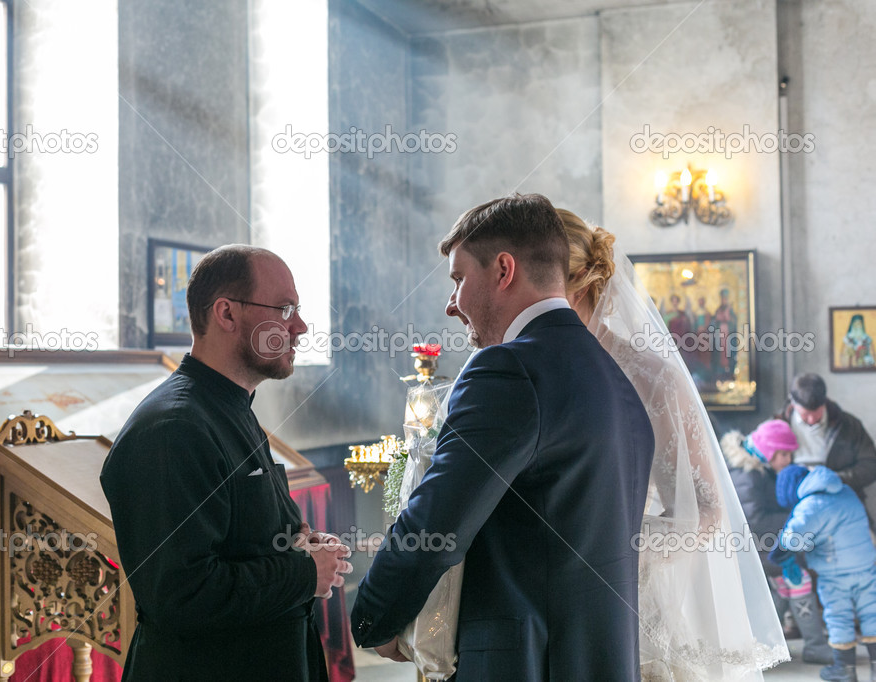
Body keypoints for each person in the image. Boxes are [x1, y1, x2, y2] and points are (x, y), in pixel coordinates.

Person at [351, 193, 656, 679]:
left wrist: (372, 617)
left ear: (503, 270)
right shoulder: (611, 374)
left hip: (527, 661)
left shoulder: (508, 369)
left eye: (458, 279)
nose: (451, 304)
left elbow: (437, 525)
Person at [100, 245, 352, 681]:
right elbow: (181, 594)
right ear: (227, 314)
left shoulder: (231, 407)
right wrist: (303, 571)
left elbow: (242, 538)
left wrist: (298, 544)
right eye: (285, 308)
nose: (300, 326)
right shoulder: (174, 428)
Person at [559, 209, 790, 678]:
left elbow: (706, 510)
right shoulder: (523, 367)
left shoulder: (650, 377)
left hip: (635, 600)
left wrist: (614, 547)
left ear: (580, 281)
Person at [720, 419, 832, 666]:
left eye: (790, 454)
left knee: (782, 593)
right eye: (783, 454)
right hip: (758, 551)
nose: (788, 460)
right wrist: (795, 516)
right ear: (767, 451)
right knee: (797, 583)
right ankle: (811, 645)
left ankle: (765, 643)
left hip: (768, 548)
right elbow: (756, 522)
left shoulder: (759, 470)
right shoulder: (747, 477)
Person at [771, 464, 876, 681]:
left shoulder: (811, 505)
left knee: (839, 617)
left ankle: (845, 669)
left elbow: (792, 539)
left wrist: (791, 548)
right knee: (871, 614)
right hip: (866, 565)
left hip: (835, 572)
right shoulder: (846, 491)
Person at [779, 373, 876, 520]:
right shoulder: (778, 427)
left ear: (825, 402)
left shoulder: (849, 425)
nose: (811, 420)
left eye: (816, 413)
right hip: (796, 507)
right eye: (805, 415)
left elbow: (870, 465)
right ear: (793, 403)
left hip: (844, 503)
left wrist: (834, 479)